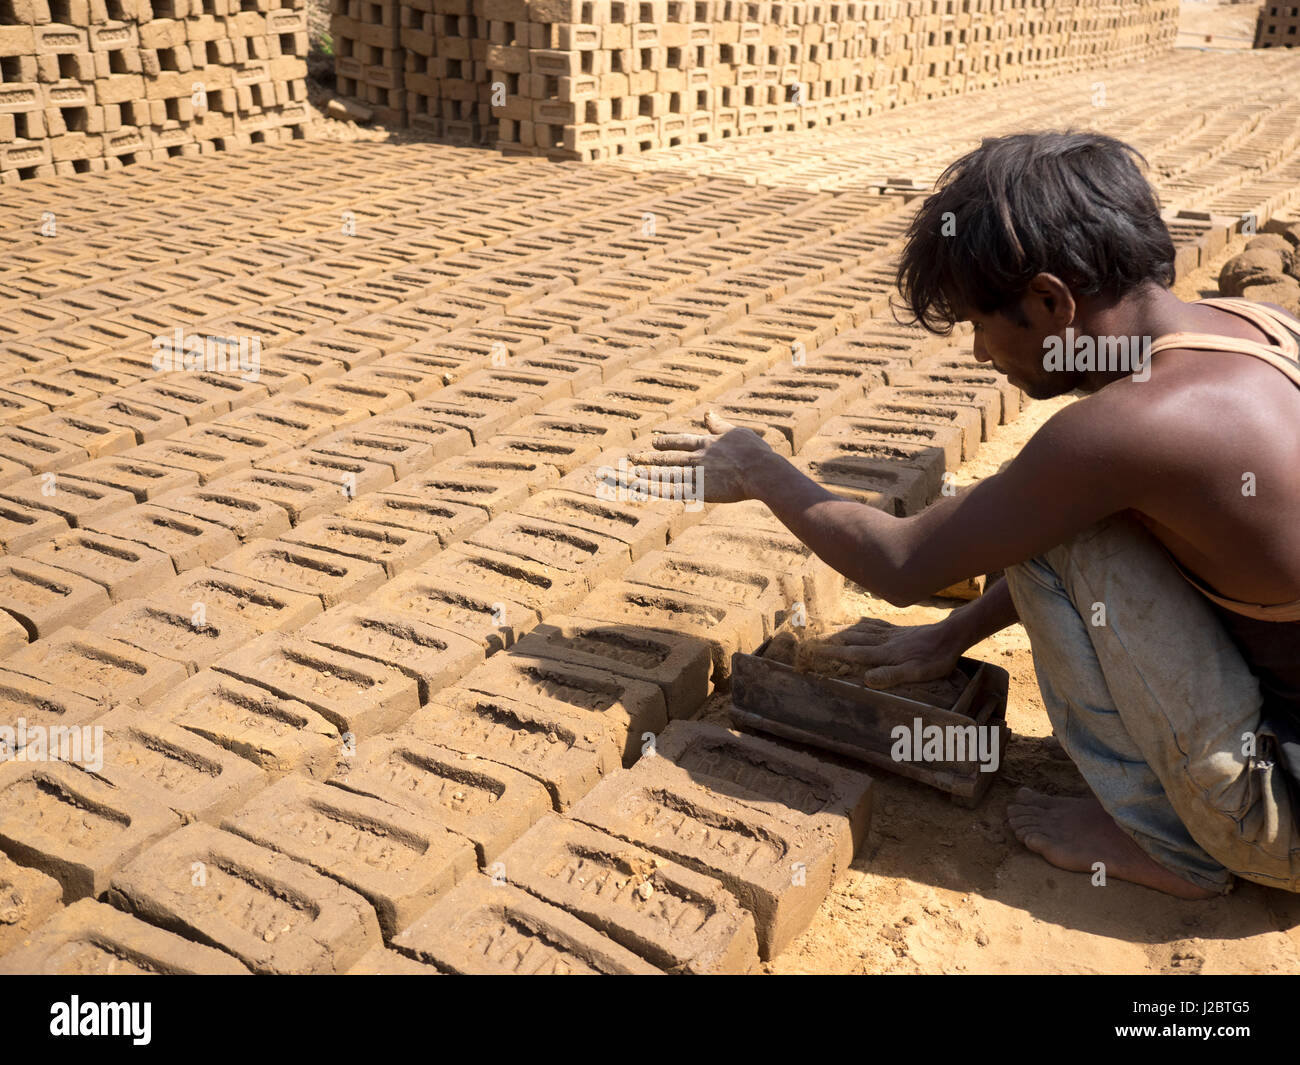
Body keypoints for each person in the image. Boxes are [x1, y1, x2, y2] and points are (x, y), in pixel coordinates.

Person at [629, 131, 1300, 899]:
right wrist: (954, 634)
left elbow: (901, 563)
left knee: (1061, 518)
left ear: (1051, 301)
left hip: (1284, 822)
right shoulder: (1254, 331)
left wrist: (759, 469)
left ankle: (1171, 840)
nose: (982, 355)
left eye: (983, 325)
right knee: (1064, 517)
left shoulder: (1127, 428)